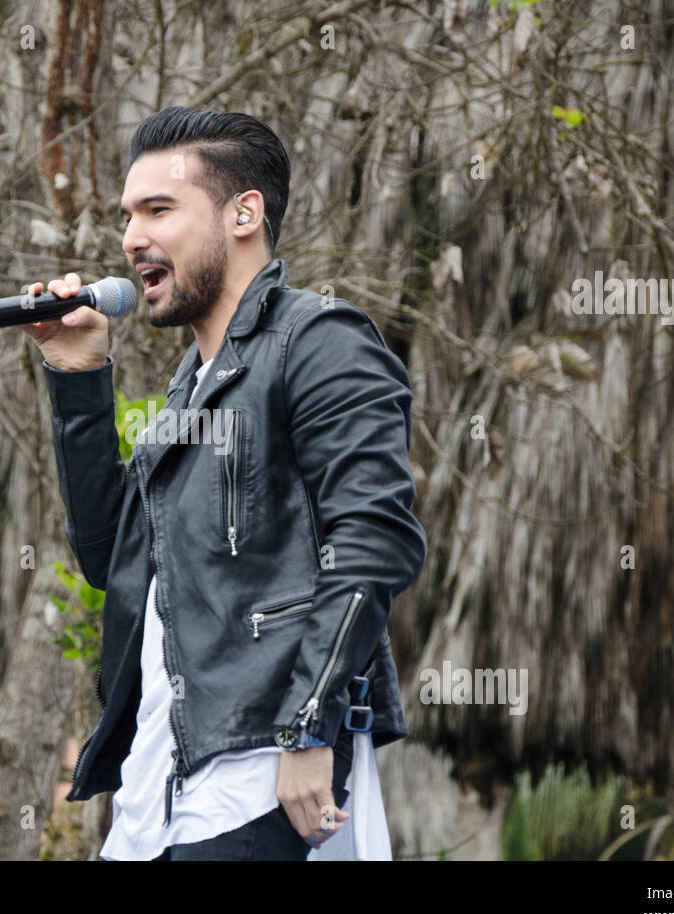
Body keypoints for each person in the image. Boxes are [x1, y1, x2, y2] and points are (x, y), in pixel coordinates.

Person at [21, 106, 426, 860]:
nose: (131, 237)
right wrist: (78, 380)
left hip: (255, 780)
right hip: (151, 809)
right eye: (126, 216)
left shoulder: (319, 340)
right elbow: (116, 564)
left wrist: (309, 725)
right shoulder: (184, 400)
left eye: (159, 209)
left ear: (245, 213)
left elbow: (372, 542)